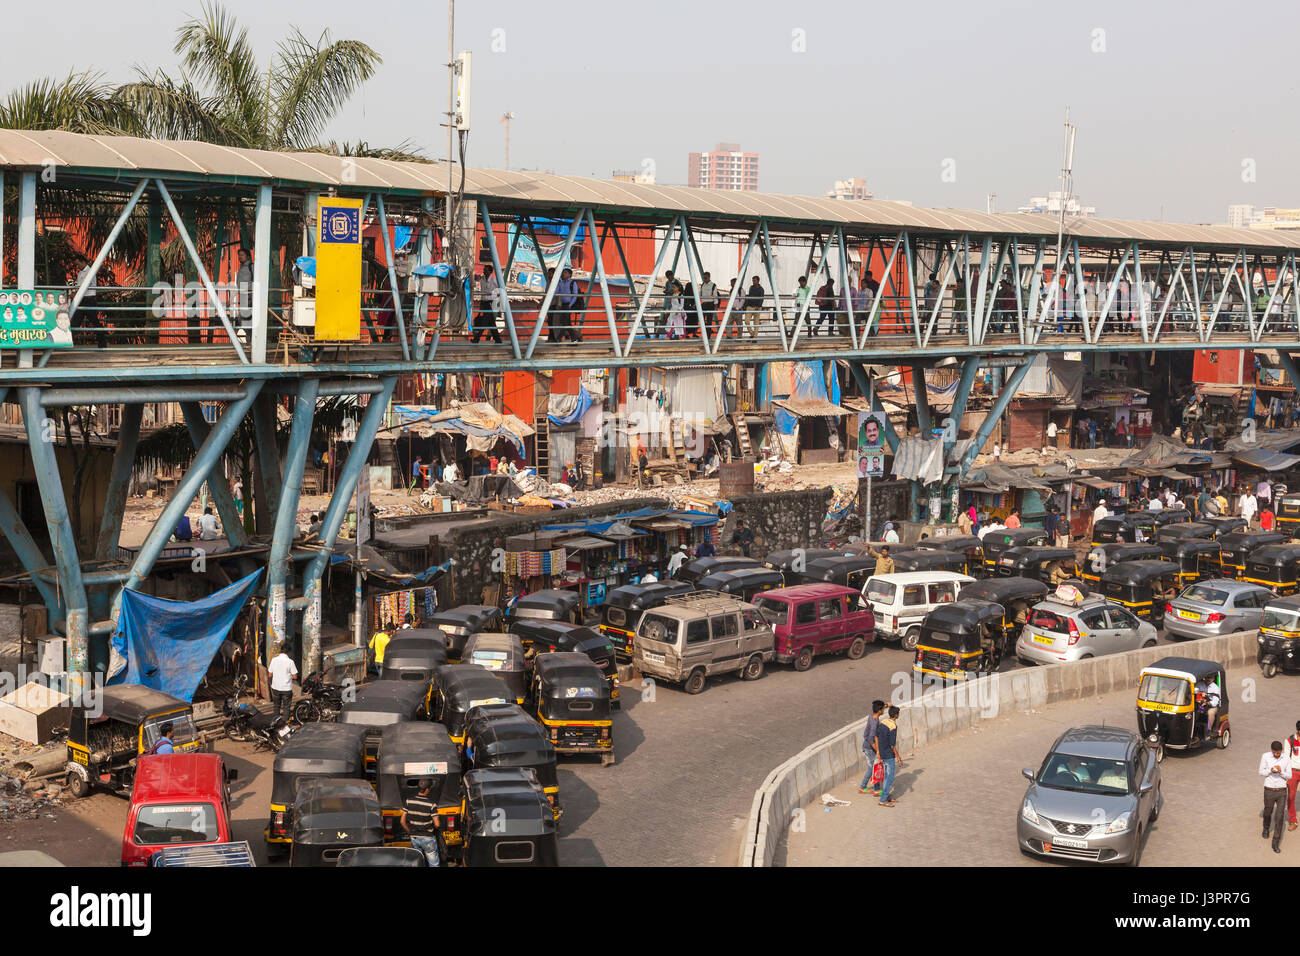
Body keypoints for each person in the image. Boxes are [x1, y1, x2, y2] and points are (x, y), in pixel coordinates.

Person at [400, 778, 442, 866]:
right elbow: (437, 824)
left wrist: (410, 832)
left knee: (416, 863)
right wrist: (431, 829)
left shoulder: (409, 801)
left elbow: (402, 822)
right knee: (433, 864)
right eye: (429, 788)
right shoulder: (431, 804)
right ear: (427, 789)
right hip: (428, 838)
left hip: (414, 837)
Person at [1261, 739, 1292, 853]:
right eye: (1275, 752)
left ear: (1281, 750)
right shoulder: (1265, 756)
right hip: (1269, 790)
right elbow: (1261, 772)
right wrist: (1270, 770)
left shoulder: (1286, 758)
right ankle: (1266, 828)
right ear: (1272, 750)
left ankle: (1275, 842)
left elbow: (1289, 775)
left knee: (1279, 817)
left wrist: (1281, 772)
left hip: (1281, 791)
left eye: (1278, 752)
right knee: (1268, 812)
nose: (1276, 754)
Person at [874, 705, 902, 807]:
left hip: (882, 753)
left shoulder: (883, 722)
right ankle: (883, 799)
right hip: (889, 755)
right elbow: (892, 745)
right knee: (889, 778)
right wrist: (899, 758)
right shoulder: (893, 726)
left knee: (886, 776)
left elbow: (876, 736)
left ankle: (887, 796)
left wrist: (878, 751)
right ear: (896, 715)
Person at [857, 700, 886, 795]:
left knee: (875, 767)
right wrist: (878, 751)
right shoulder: (875, 723)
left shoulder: (872, 715)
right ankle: (863, 787)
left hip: (870, 747)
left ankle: (876, 788)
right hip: (869, 748)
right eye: (883, 709)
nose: (884, 710)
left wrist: (886, 705)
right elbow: (870, 738)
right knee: (873, 768)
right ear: (879, 711)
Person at [268, 640, 298, 722]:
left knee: (276, 706)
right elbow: (295, 676)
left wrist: (273, 682)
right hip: (286, 689)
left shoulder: (274, 660)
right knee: (286, 707)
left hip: (275, 687)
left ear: (280, 650)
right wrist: (288, 676)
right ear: (288, 652)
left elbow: (270, 674)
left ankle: (275, 722)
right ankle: (284, 723)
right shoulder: (290, 662)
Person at [473, 265, 503, 344]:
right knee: (491, 322)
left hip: (491, 302)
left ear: (490, 272)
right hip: (484, 302)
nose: (484, 271)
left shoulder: (494, 280)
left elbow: (500, 291)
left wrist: (492, 296)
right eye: (484, 270)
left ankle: (477, 338)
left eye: (485, 270)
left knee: (485, 321)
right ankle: (498, 340)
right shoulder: (482, 279)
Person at [699, 271, 720, 339]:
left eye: (705, 278)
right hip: (704, 304)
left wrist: (716, 305)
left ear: (709, 277)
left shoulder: (713, 285)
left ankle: (707, 336)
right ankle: (708, 331)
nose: (704, 279)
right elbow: (700, 294)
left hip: (710, 304)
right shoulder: (703, 285)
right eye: (703, 278)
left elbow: (715, 296)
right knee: (701, 319)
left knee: (709, 320)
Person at [1287, 722, 1300, 833]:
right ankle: (1293, 821)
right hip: (1293, 772)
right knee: (1291, 797)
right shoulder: (1289, 741)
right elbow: (1286, 758)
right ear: (1297, 729)